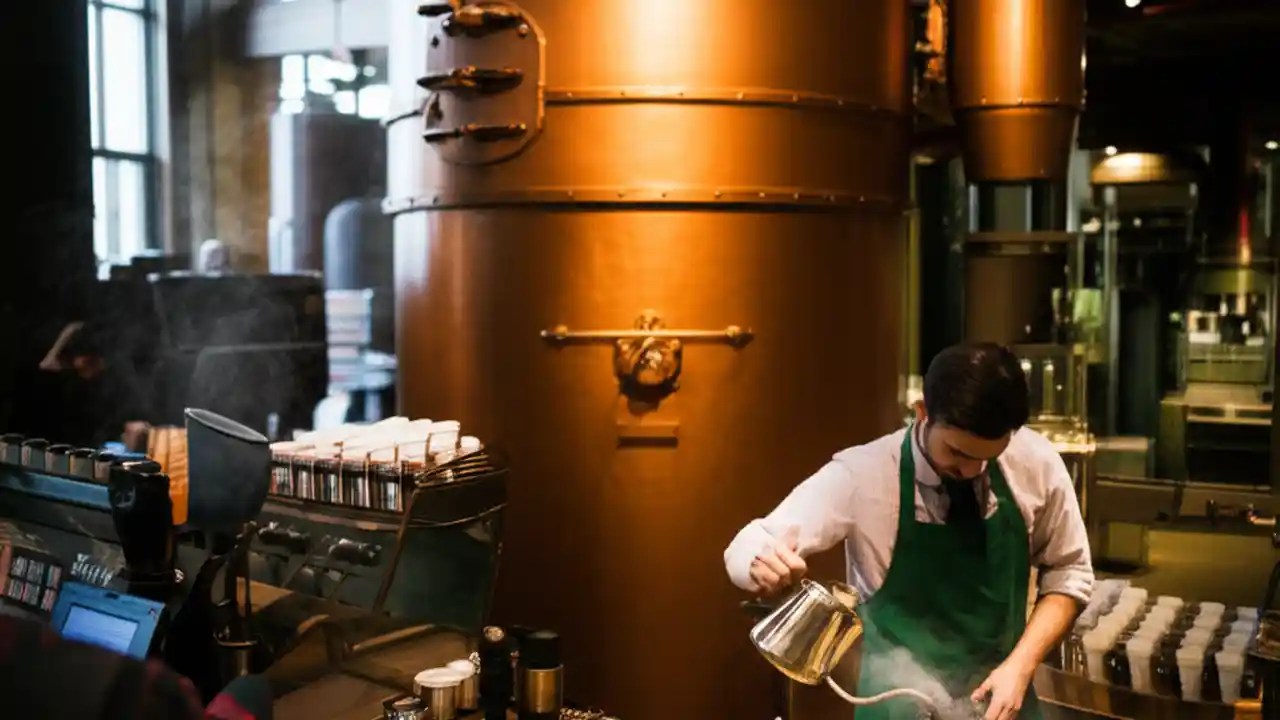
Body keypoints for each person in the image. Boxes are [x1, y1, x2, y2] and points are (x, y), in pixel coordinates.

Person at [724, 342, 1093, 720]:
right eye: (957, 453)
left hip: (1003, 703)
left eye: (987, 458)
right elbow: (748, 545)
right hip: (894, 708)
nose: (971, 471)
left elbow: (1070, 572)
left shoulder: (1035, 461)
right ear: (922, 413)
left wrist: (1022, 666)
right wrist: (758, 563)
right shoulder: (863, 474)